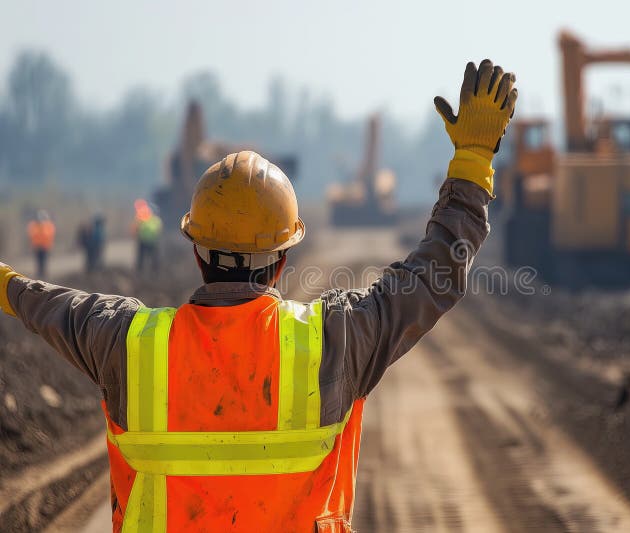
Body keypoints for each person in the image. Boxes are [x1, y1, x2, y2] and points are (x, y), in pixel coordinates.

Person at [0, 60, 517, 532]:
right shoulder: (333, 341)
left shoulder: (127, 343)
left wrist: (4, 283)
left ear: (197, 252)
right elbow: (433, 276)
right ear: (283, 260)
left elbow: (46, 304)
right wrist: (472, 163)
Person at [131, 199, 163, 273]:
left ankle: (153, 272)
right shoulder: (143, 218)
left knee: (152, 259)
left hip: (150, 241)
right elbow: (135, 229)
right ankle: (143, 271)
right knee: (143, 258)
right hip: (145, 241)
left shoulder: (152, 219)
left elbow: (158, 229)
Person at [27, 209, 55, 278]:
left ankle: (43, 272)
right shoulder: (33, 225)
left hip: (45, 246)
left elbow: (49, 235)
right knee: (38, 260)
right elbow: (32, 234)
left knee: (44, 260)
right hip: (37, 246)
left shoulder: (48, 225)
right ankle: (39, 272)